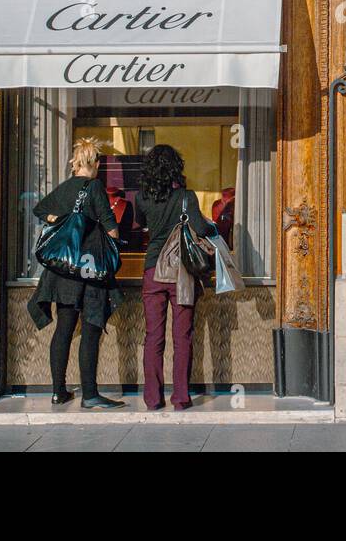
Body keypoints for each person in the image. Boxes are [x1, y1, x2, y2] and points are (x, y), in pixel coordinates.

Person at [29, 137, 125, 409]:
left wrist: (59, 221)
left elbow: (40, 210)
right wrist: (114, 249)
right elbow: (110, 225)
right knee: (92, 328)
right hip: (88, 269)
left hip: (61, 272)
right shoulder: (94, 187)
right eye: (98, 163)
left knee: (64, 329)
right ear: (94, 163)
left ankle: (58, 392)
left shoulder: (64, 188)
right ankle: (90, 394)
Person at [138, 144, 217, 411]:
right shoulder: (186, 197)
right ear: (176, 168)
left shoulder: (142, 198)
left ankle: (152, 399)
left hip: (152, 271)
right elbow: (202, 228)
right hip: (180, 273)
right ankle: (181, 398)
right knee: (182, 337)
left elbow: (141, 225)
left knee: (153, 337)